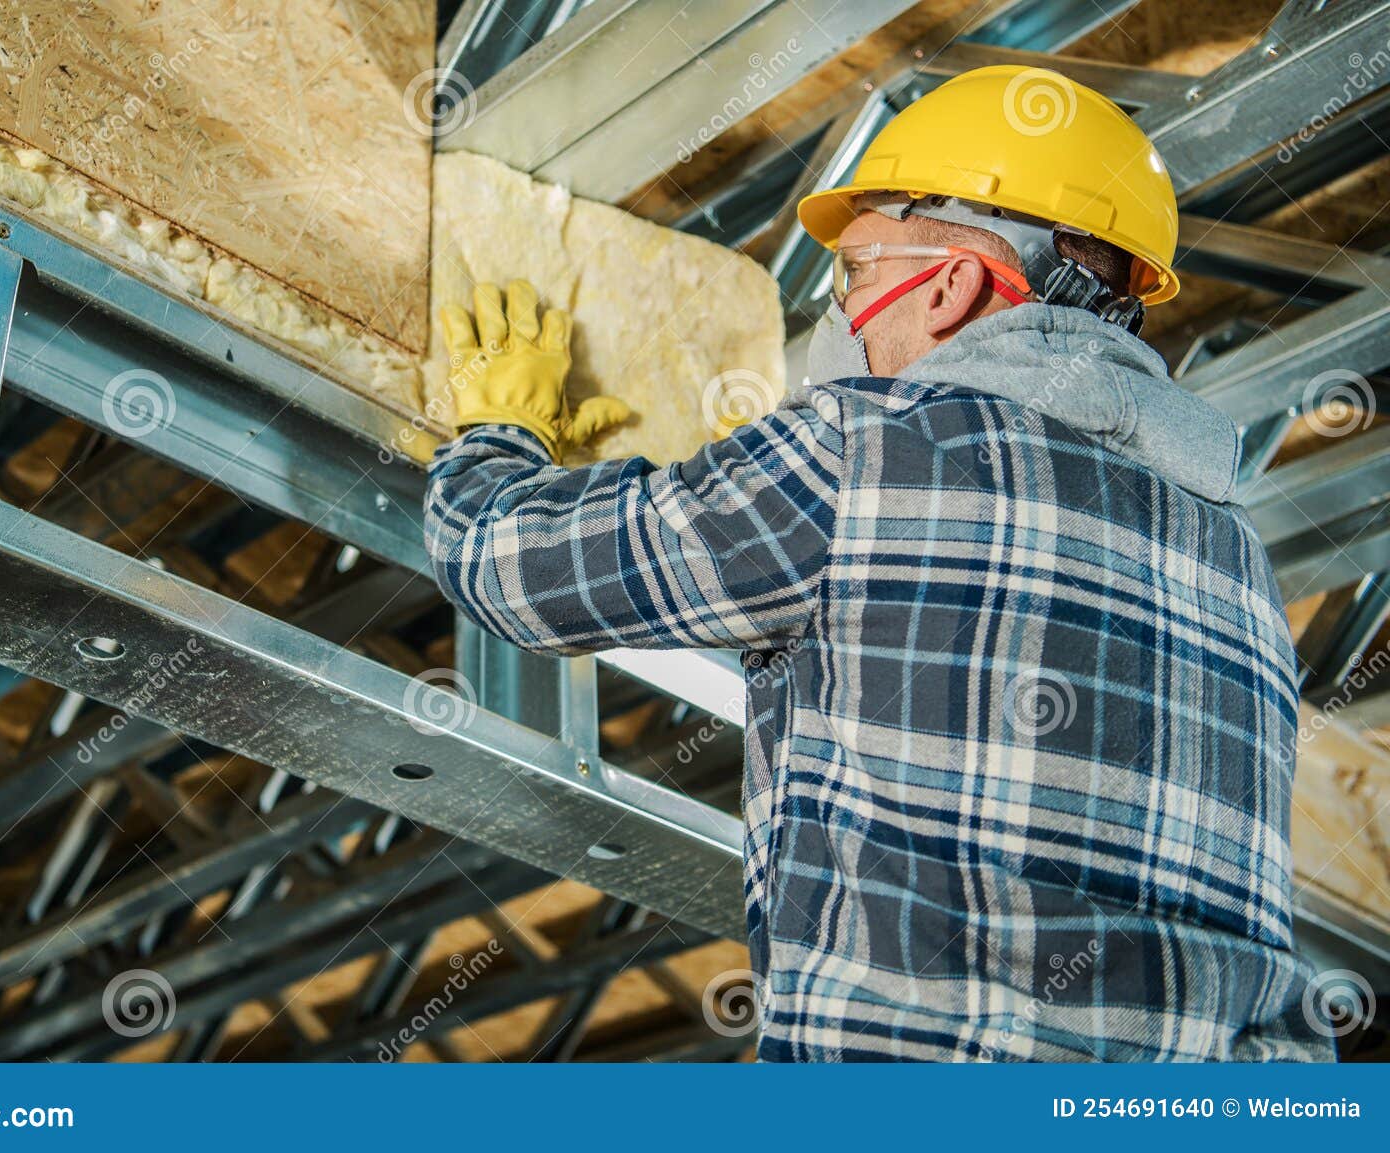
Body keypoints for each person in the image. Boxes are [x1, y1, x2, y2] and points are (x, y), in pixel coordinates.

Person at [422, 66, 1332, 1061]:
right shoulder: (1238, 563)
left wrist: (498, 428)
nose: (845, 316)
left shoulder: (879, 448)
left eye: (854, 273)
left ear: (949, 283)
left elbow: (502, 562)